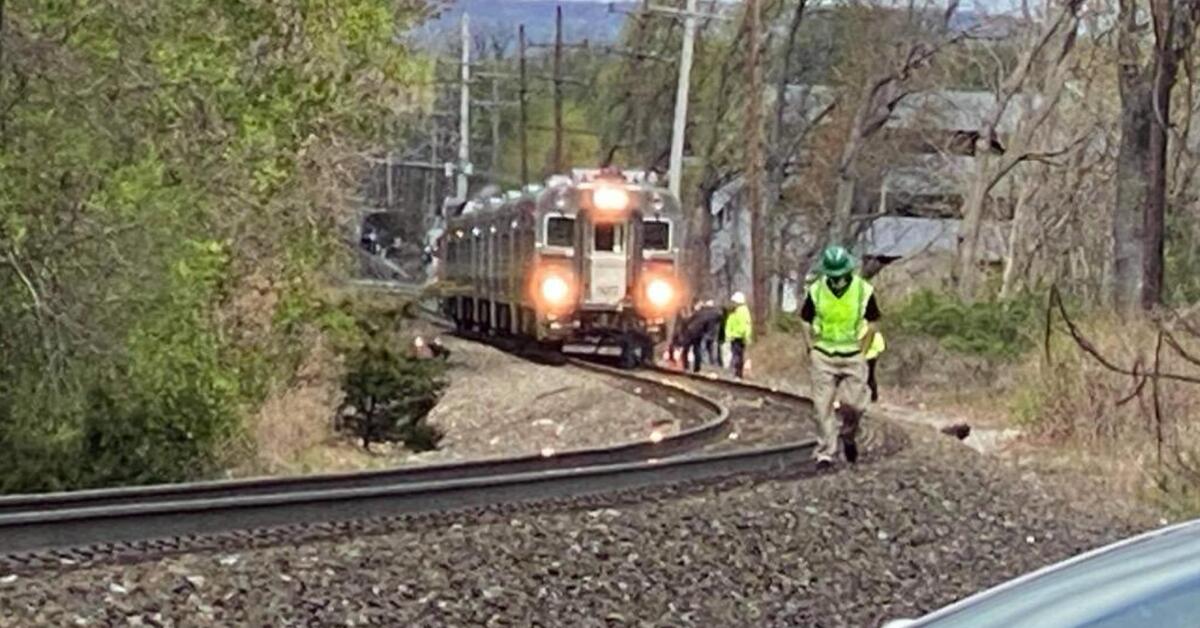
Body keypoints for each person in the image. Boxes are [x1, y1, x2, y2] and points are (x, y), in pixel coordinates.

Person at [800, 245, 881, 469]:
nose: (837, 279)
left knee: (855, 405)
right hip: (824, 355)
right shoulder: (816, 290)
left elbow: (873, 322)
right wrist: (811, 347)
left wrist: (863, 350)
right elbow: (805, 319)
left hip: (853, 354)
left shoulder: (863, 290)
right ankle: (826, 452)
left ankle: (848, 433)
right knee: (821, 407)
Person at [724, 291, 753, 378]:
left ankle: (737, 374)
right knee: (738, 355)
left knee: (737, 356)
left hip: (738, 337)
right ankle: (737, 374)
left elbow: (745, 326)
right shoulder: (737, 311)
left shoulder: (740, 311)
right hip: (736, 337)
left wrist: (745, 336)